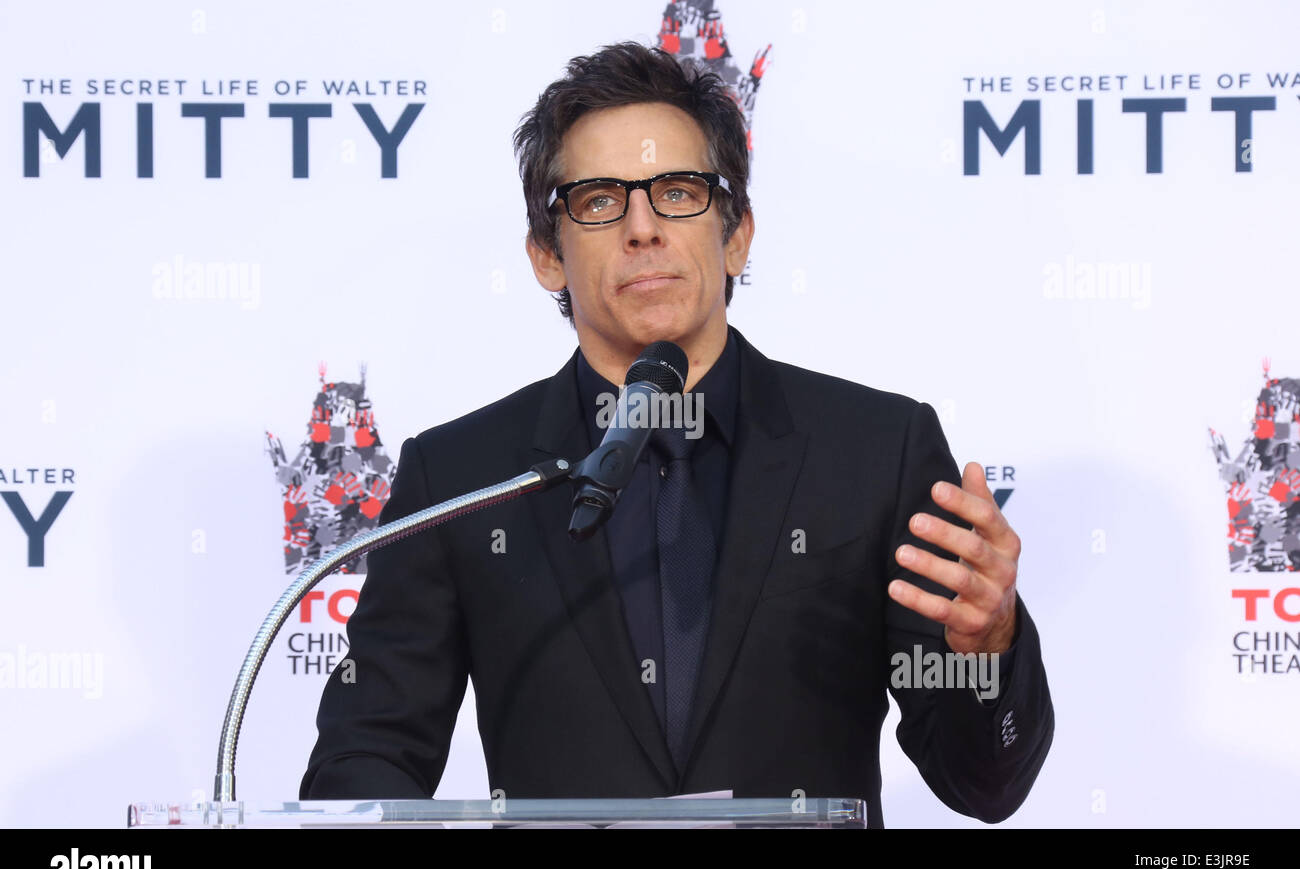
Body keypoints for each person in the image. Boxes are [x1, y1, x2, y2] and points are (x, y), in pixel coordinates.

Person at [300, 42, 1053, 827]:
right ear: (545, 256)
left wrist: (988, 646)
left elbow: (984, 785)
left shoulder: (875, 450)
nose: (643, 228)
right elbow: (369, 750)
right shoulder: (463, 477)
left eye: (679, 191)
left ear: (737, 236)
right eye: (598, 201)